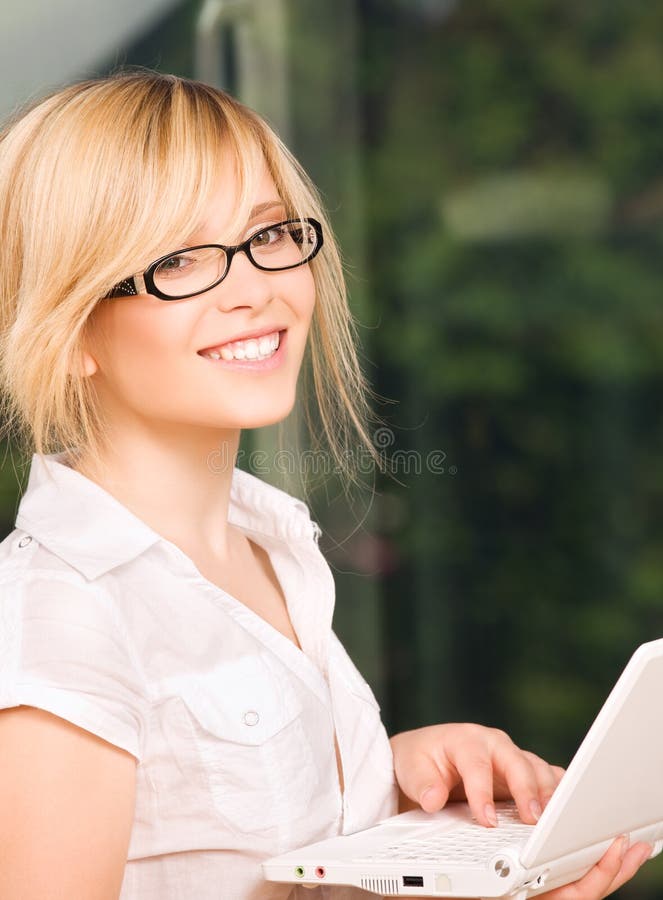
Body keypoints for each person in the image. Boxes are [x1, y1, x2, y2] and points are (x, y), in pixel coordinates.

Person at [0, 70, 651, 900]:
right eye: (178, 259)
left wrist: (381, 782)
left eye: (268, 236)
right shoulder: (58, 621)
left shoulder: (268, 550)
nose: (253, 288)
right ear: (66, 332)